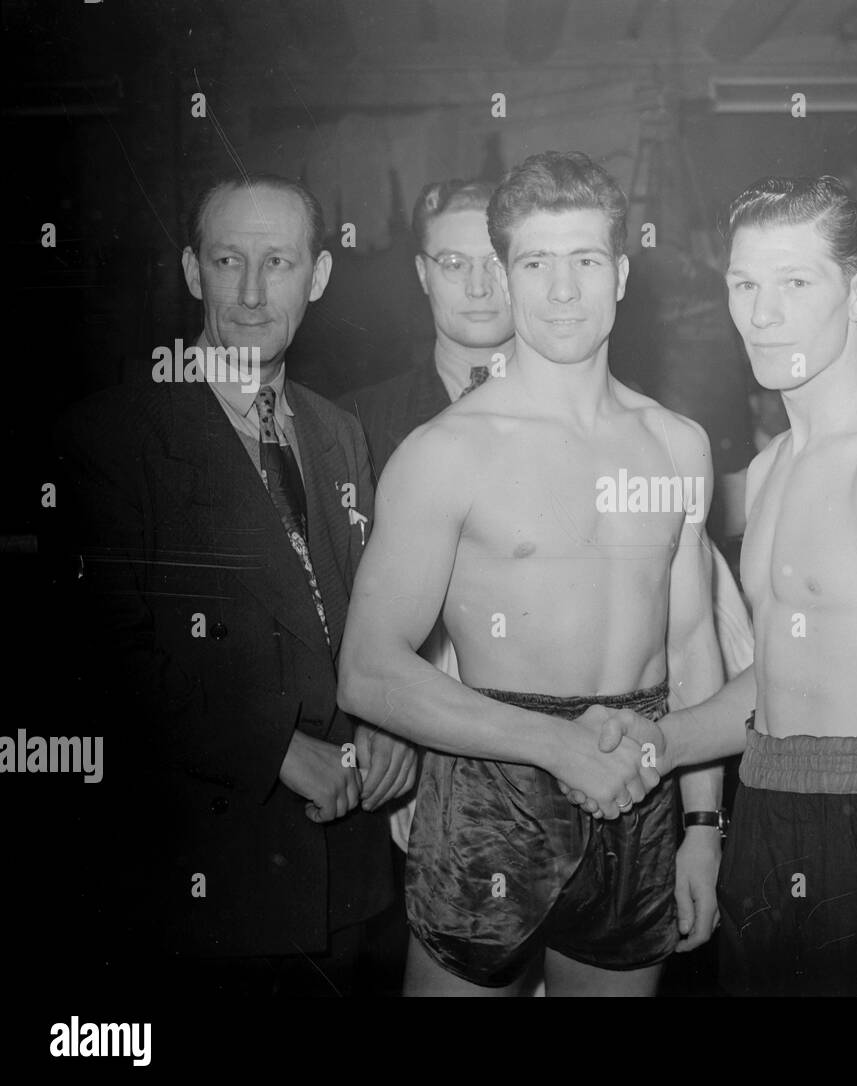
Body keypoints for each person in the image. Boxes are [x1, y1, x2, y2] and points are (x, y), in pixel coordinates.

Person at [576, 176, 857, 997]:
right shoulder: (774, 466)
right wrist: (656, 742)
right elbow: (777, 690)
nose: (761, 314)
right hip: (766, 810)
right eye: (744, 284)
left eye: (795, 282)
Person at [337, 151, 726, 996]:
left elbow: (693, 645)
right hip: (491, 792)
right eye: (535, 263)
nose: (560, 291)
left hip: (642, 783)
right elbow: (367, 670)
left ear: (621, 274)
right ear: (507, 279)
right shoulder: (447, 452)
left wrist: (703, 827)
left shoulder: (677, 443)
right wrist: (555, 747)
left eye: (585, 261)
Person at [53, 173, 414, 995]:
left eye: (279, 263)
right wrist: (280, 750)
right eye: (228, 260)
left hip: (347, 874)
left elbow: (372, 615)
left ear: (317, 278)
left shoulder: (337, 430)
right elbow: (104, 662)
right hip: (213, 881)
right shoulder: (110, 438)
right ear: (191, 271)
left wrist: (394, 725)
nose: (252, 293)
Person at [338, 179, 515, 478]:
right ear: (423, 274)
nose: (478, 288)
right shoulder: (355, 423)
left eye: (497, 262)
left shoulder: (584, 410)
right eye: (454, 264)